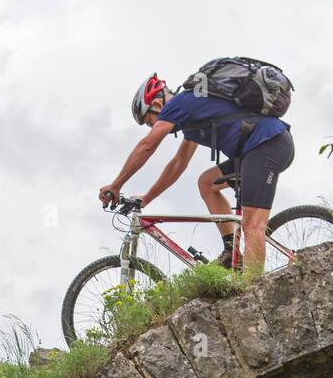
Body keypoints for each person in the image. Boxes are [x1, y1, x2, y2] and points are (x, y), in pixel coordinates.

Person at [97, 72, 294, 275]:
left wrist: (116, 184)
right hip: (256, 150)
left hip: (268, 144)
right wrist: (147, 198)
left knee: (253, 226)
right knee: (207, 183)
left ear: (156, 104)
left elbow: (147, 145)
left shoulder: (181, 104)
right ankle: (231, 253)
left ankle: (253, 294)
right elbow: (178, 164)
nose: (154, 126)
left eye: (151, 122)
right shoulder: (191, 117)